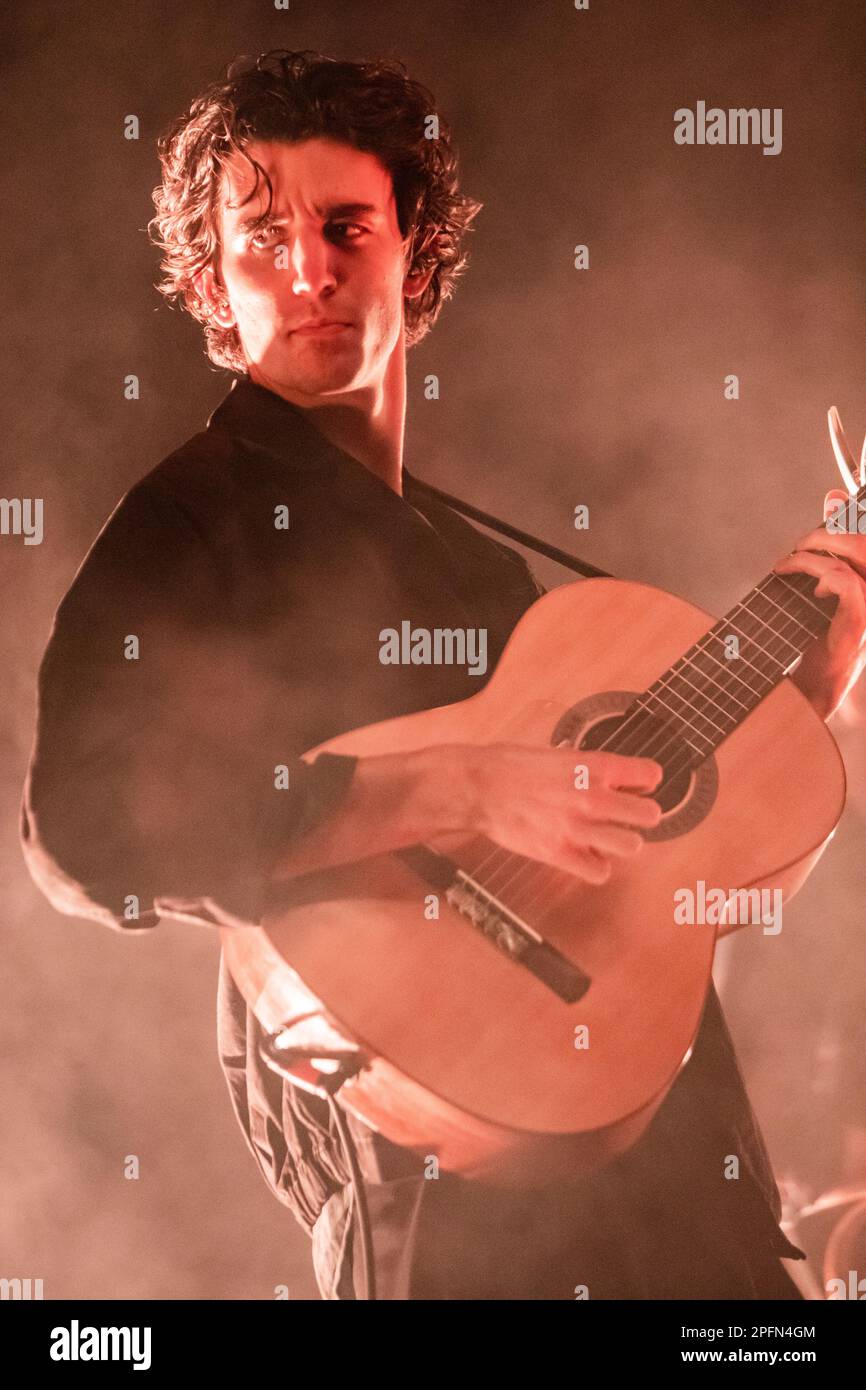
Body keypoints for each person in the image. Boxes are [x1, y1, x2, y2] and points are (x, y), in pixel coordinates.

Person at [20, 49, 866, 1300]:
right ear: (211, 282)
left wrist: (807, 688)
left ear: (411, 260)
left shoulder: (477, 566)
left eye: (346, 228)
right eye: (263, 238)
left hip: (672, 1173)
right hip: (445, 1202)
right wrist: (450, 789)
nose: (310, 270)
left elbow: (645, 876)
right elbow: (80, 831)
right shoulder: (187, 521)